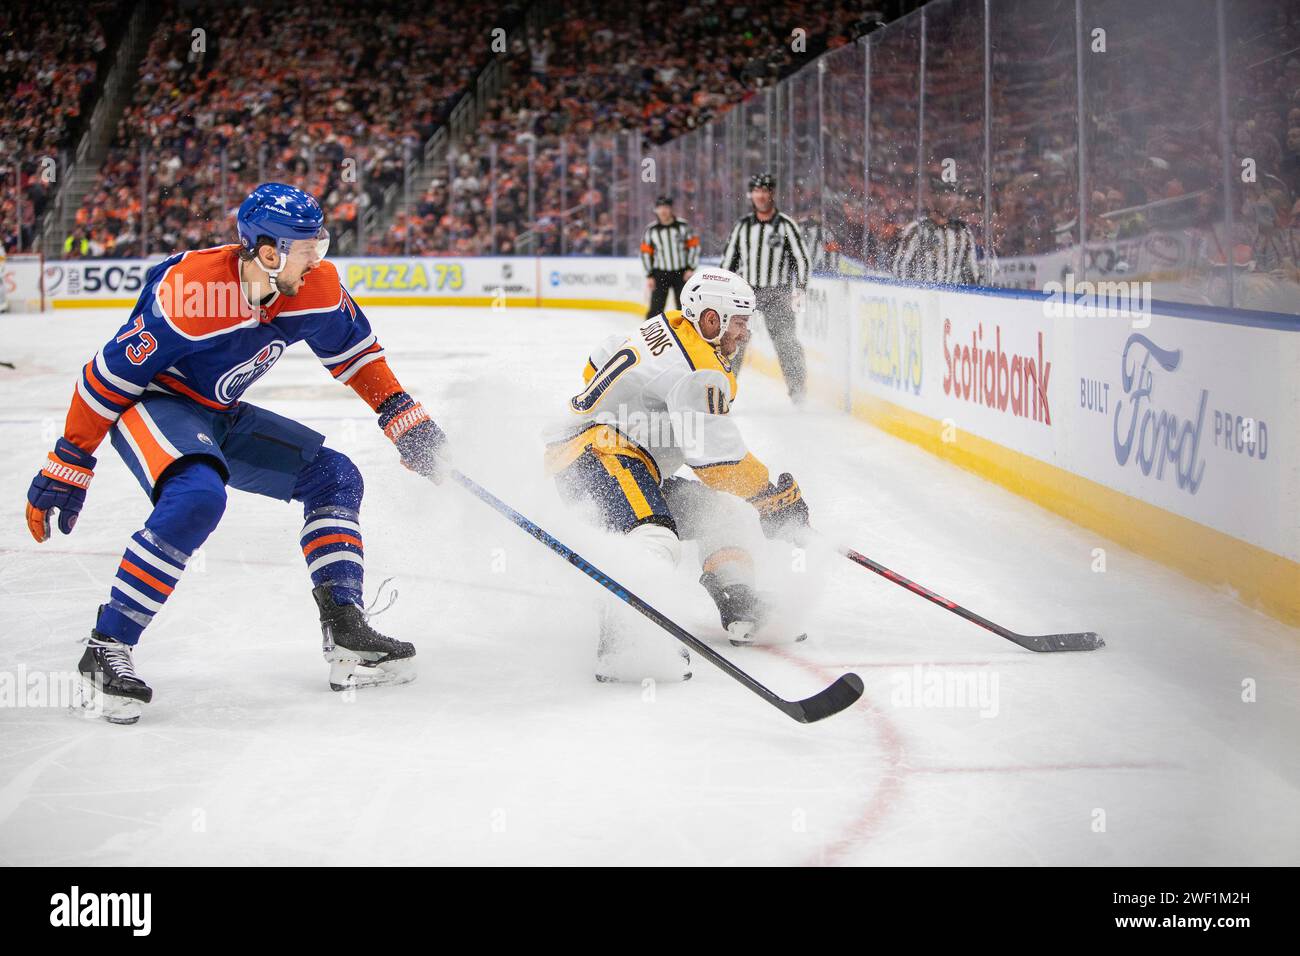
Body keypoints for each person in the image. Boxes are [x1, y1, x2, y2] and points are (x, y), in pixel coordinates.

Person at [25, 183, 449, 724]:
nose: (318, 261)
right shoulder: (191, 293)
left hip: (219, 412)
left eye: (320, 246)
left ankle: (346, 628)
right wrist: (70, 460)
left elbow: (357, 356)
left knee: (335, 478)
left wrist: (404, 419)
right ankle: (106, 647)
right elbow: (106, 377)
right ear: (268, 253)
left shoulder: (316, 286)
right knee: (197, 497)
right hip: (154, 404)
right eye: (307, 250)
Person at [544, 268, 811, 683]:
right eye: (740, 322)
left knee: (722, 515)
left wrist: (638, 422)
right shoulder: (699, 366)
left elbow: (601, 356)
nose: (745, 333)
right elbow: (718, 462)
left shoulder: (669, 323)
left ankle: (740, 605)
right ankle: (626, 642)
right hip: (598, 454)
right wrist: (770, 498)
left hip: (604, 455)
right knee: (653, 538)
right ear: (711, 319)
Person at [720, 173, 811, 403]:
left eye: (765, 191)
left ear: (772, 193)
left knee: (786, 341)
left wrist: (800, 288)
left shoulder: (786, 225)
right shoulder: (742, 226)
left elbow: (801, 259)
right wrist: (724, 290)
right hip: (746, 293)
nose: (760, 195)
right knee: (734, 340)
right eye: (756, 191)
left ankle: (798, 391)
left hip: (778, 292)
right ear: (751, 195)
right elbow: (729, 261)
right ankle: (724, 389)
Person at [639, 195, 699, 317]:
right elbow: (646, 253)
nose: (663, 211)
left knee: (684, 307)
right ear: (656, 210)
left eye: (666, 207)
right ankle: (651, 329)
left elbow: (694, 246)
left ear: (671, 209)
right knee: (655, 309)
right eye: (660, 207)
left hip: (681, 273)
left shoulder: (683, 226)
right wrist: (649, 275)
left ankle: (685, 329)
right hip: (660, 273)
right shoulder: (651, 230)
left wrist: (690, 268)